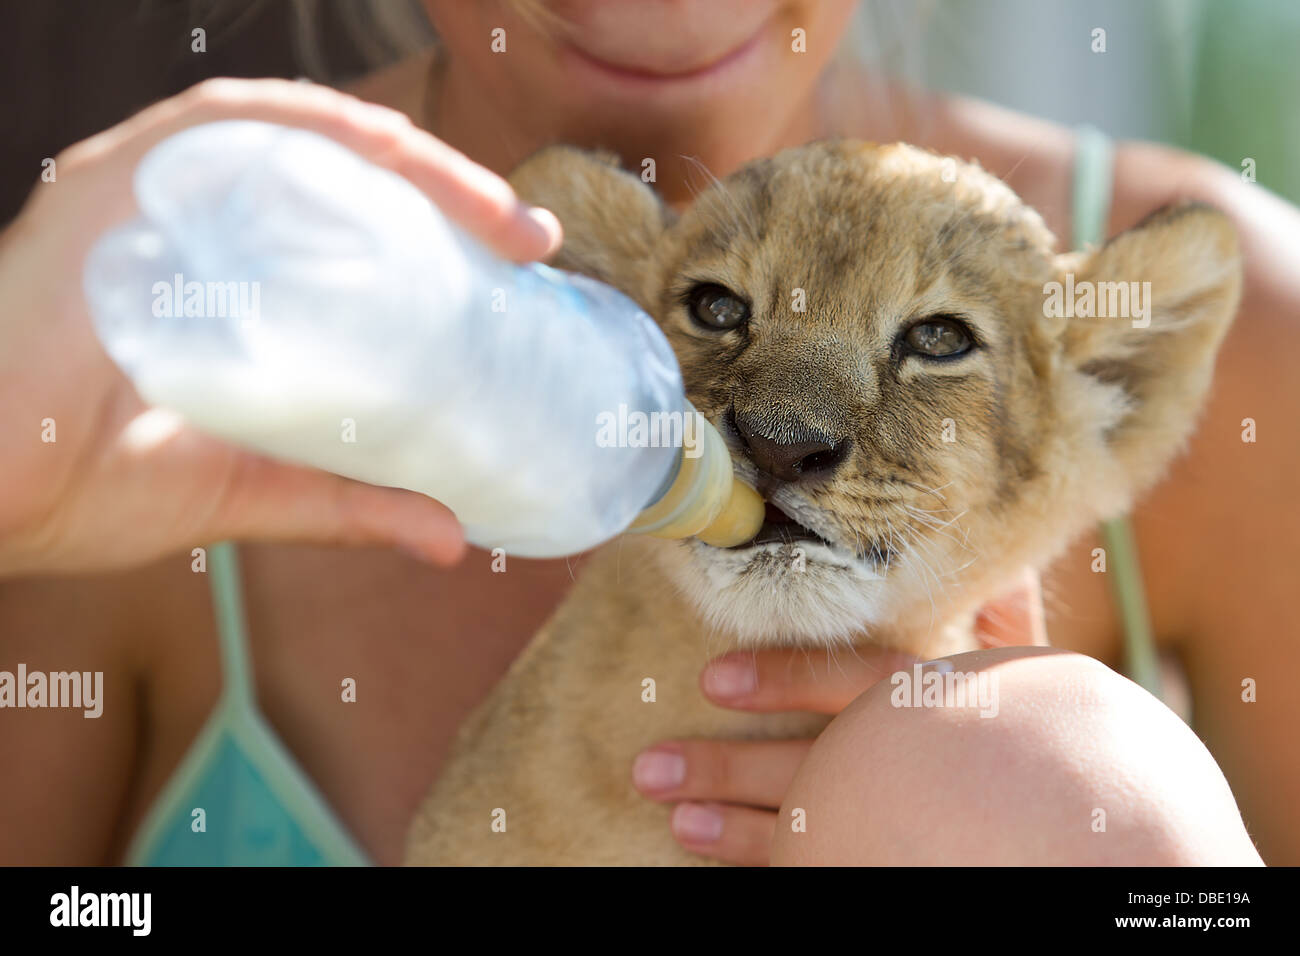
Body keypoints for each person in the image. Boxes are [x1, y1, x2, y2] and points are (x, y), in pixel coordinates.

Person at [2, 0, 1292, 865]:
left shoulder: (1227, 333)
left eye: (940, 343)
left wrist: (1100, 826)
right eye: (715, 312)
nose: (781, 426)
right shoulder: (152, 339)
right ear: (621, 302)